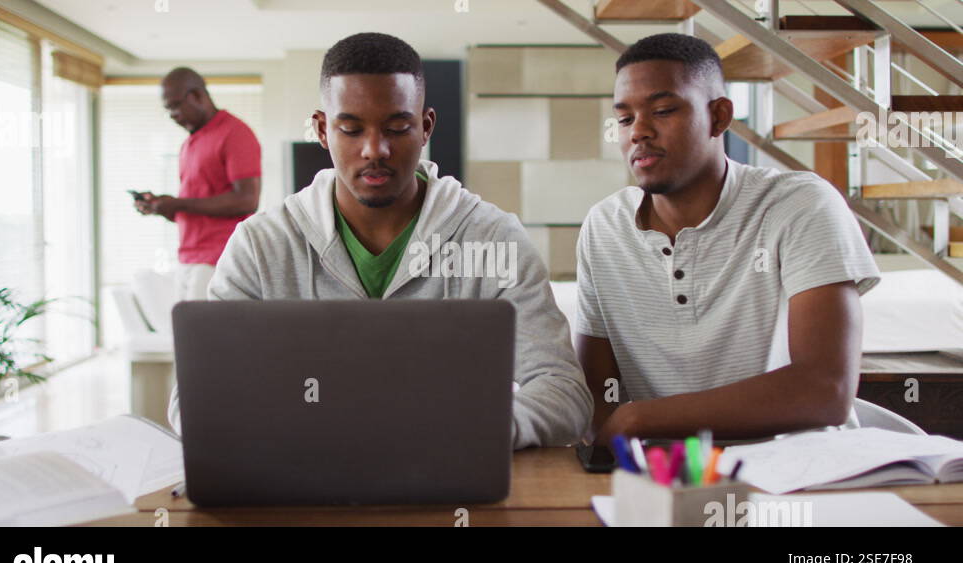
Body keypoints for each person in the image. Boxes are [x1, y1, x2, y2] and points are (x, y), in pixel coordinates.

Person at [167, 33, 591, 448]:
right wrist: (293, 428)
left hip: (449, 486)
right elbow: (194, 398)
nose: (375, 149)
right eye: (351, 130)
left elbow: (564, 393)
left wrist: (477, 426)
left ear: (425, 127)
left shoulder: (494, 239)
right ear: (320, 130)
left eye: (397, 127)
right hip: (304, 489)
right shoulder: (260, 246)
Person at [575, 33, 881, 445]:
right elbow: (598, 394)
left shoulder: (801, 205)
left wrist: (639, 419)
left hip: (805, 477)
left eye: (663, 110)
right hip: (672, 477)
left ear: (719, 116)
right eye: (625, 119)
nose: (638, 132)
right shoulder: (604, 226)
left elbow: (825, 391)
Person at [134, 67, 262, 301]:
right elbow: (195, 206)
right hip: (188, 259)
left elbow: (247, 200)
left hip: (219, 259)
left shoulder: (235, 133)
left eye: (174, 105)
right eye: (167, 109)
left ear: (196, 96)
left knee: (204, 336)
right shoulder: (189, 143)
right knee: (187, 334)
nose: (172, 114)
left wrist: (180, 204)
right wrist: (164, 207)